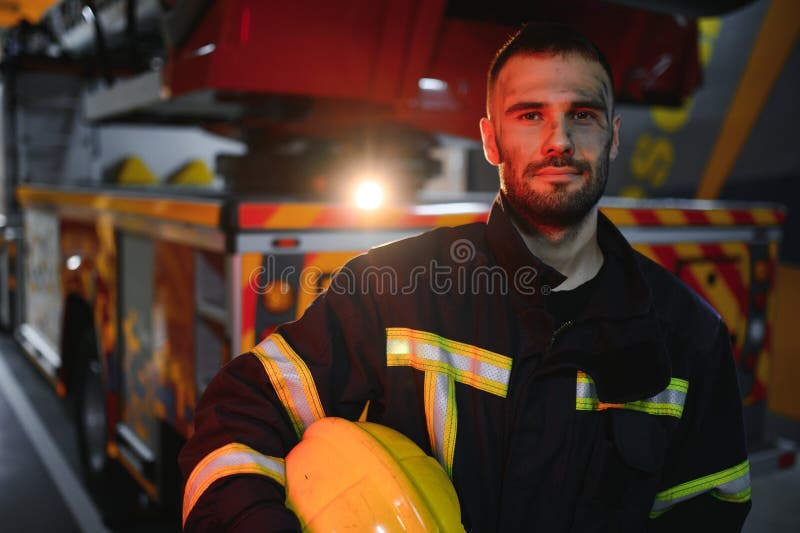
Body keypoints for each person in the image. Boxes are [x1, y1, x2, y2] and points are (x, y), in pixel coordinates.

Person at [179, 22, 751, 532]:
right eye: (530, 115)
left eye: (583, 114)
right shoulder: (392, 289)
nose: (559, 141)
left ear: (613, 136)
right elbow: (239, 413)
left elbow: (711, 509)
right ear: (489, 138)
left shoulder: (689, 337)